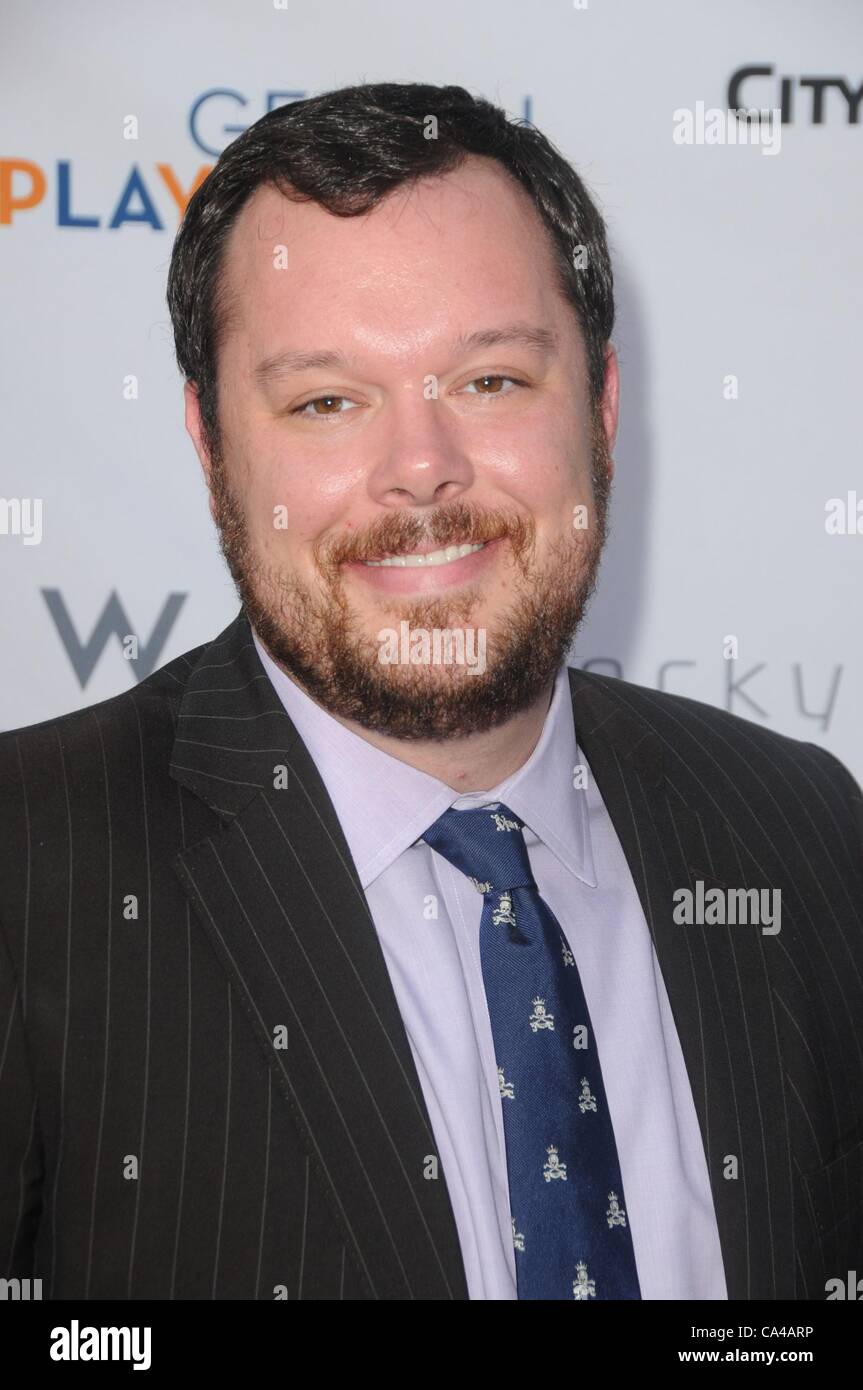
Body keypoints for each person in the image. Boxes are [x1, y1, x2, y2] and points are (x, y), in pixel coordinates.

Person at [1, 81, 861, 1302]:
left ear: (602, 409)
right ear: (210, 449)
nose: (420, 471)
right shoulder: (25, 867)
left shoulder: (801, 829)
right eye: (324, 401)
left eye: (492, 381)